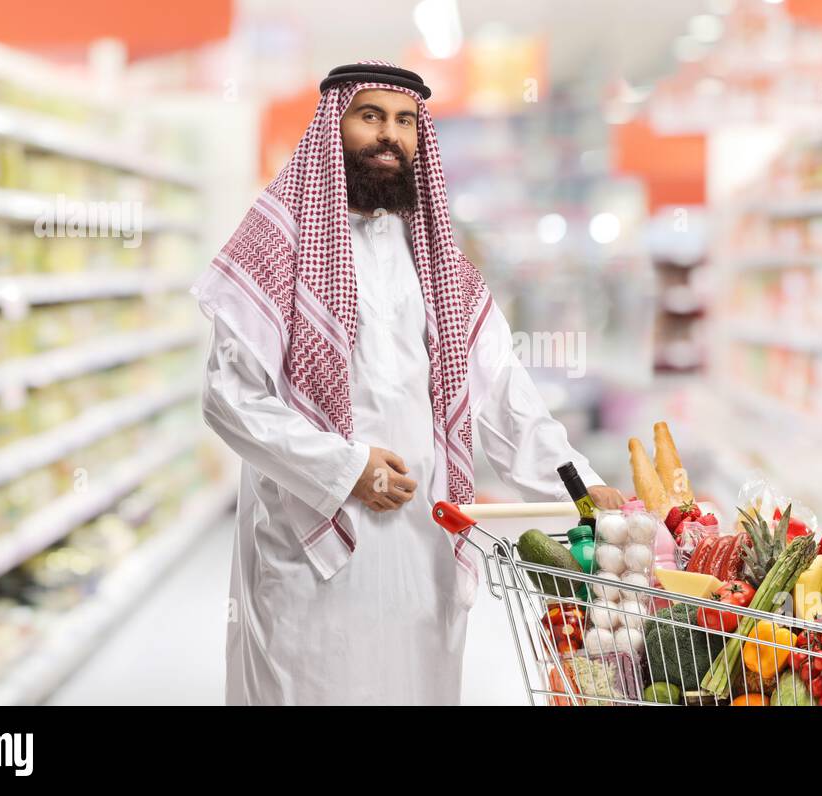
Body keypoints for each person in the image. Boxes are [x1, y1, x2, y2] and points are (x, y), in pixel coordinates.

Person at [192, 60, 624, 705]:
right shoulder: (276, 245)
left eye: (404, 121)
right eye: (370, 117)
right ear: (333, 127)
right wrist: (344, 468)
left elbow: (509, 405)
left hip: (424, 539)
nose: (389, 135)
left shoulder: (441, 263)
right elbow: (229, 399)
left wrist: (585, 489)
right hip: (312, 538)